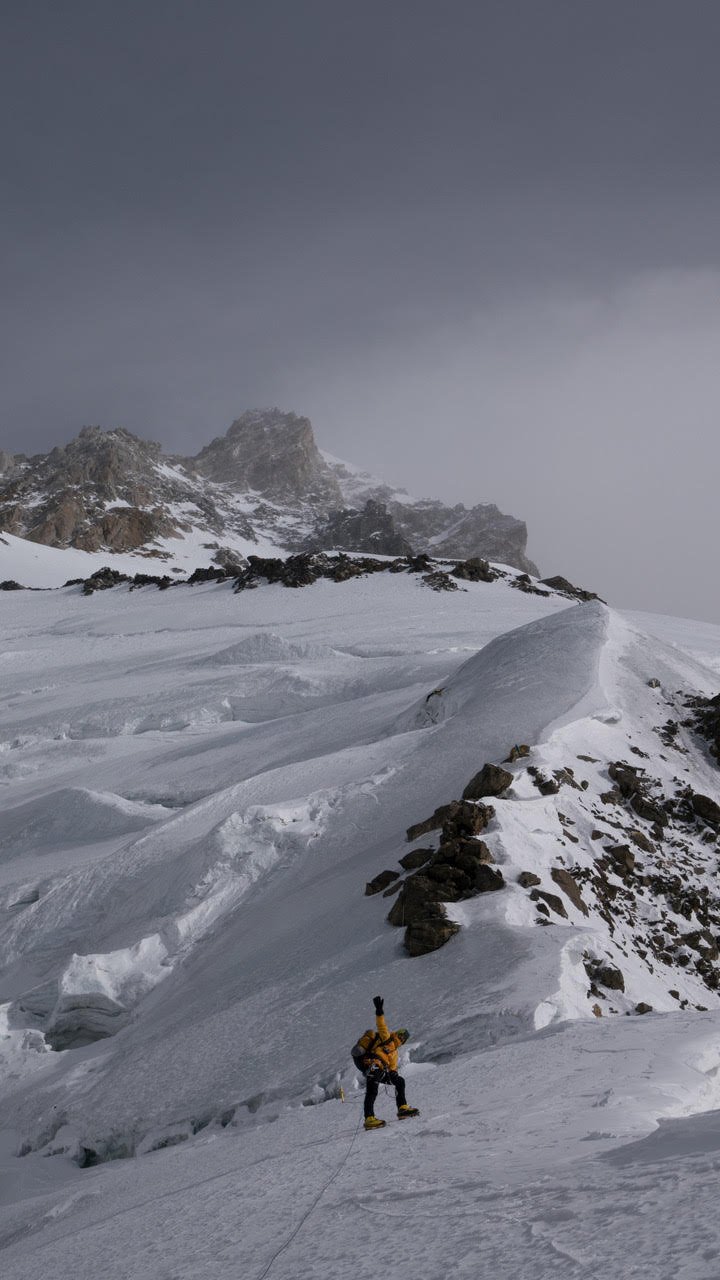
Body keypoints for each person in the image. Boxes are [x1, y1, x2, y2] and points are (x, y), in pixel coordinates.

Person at [356, 996, 419, 1130]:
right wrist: (379, 1010)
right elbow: (381, 1024)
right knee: (372, 1091)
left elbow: (392, 1067)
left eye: (403, 1039)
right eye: (401, 1035)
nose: (401, 1039)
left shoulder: (395, 1053)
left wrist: (394, 1074)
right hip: (373, 1065)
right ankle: (369, 1118)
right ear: (397, 1034)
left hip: (381, 1070)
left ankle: (402, 1108)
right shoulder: (387, 1037)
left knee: (400, 1081)